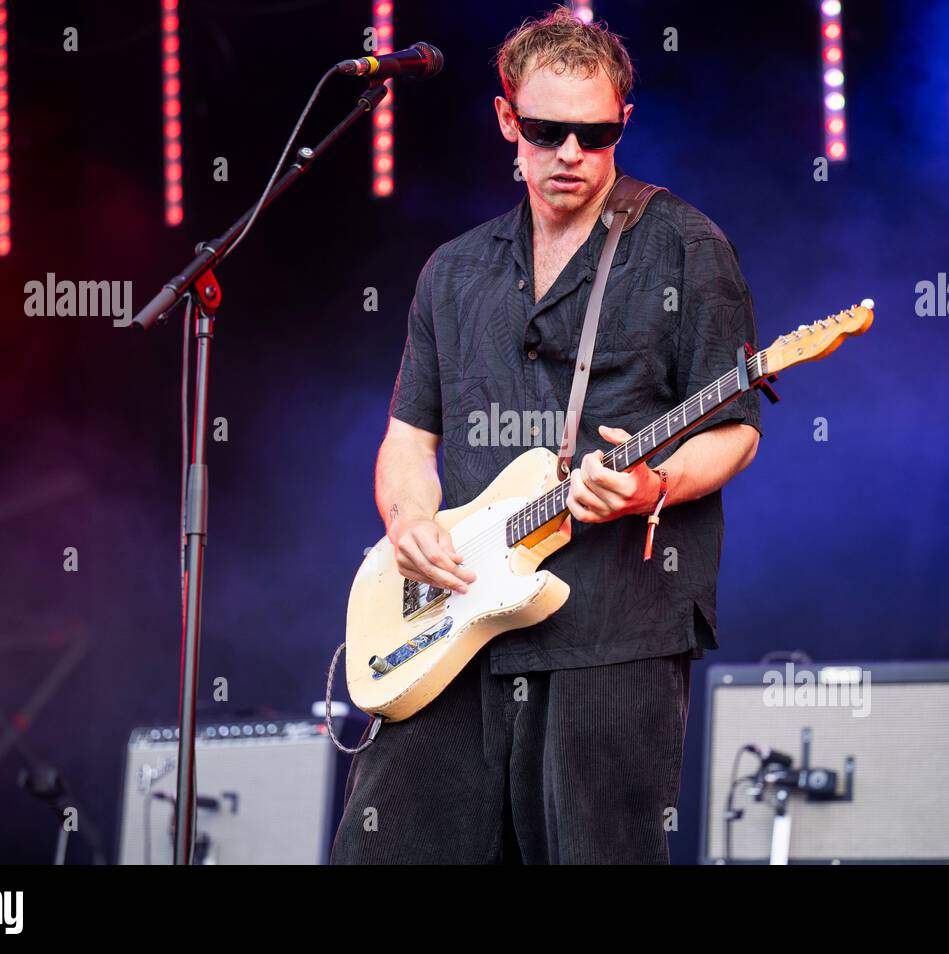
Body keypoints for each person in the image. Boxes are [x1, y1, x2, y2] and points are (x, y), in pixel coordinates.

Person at [331, 7, 761, 864]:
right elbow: (409, 438)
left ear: (623, 126)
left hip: (613, 628)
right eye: (548, 130)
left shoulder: (684, 248)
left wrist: (656, 486)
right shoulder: (454, 269)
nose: (570, 153)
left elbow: (737, 431)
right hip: (453, 625)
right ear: (506, 120)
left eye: (594, 135)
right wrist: (409, 519)